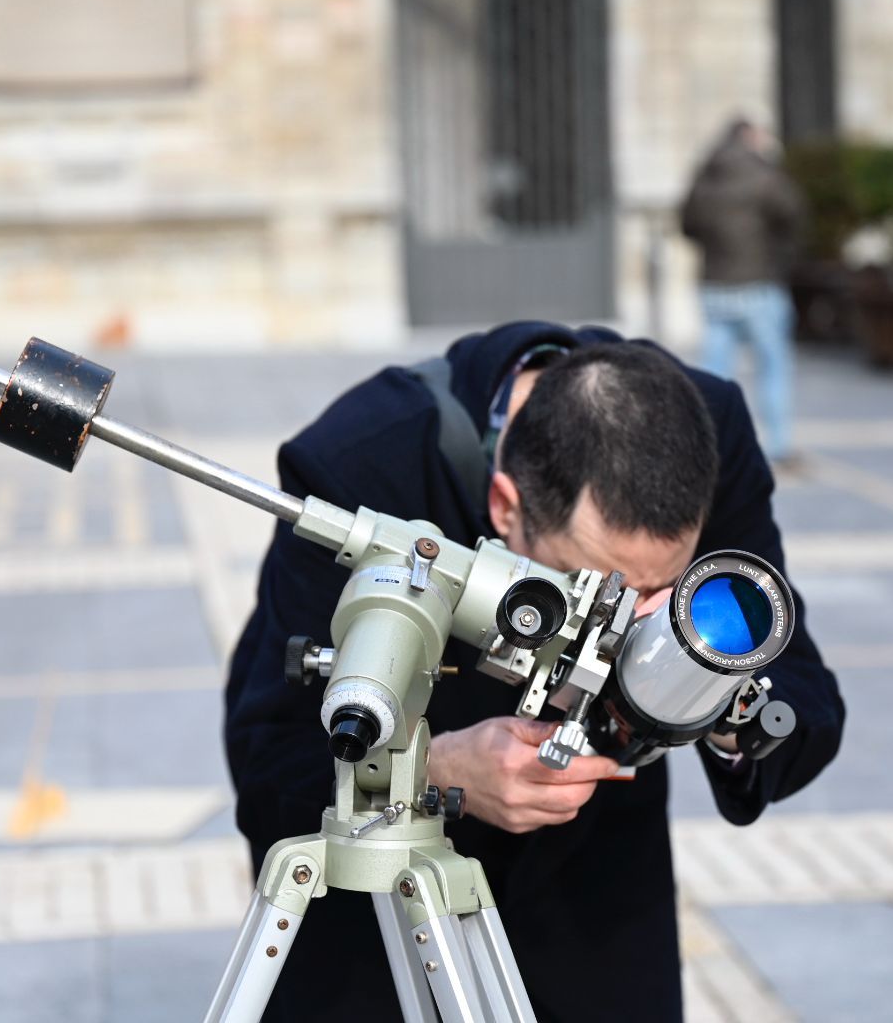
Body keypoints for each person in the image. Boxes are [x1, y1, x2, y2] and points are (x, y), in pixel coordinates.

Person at [224, 322, 845, 1021]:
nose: (621, 628)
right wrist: (432, 771)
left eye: (655, 592)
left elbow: (803, 699)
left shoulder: (702, 429)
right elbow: (269, 754)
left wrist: (712, 698)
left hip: (589, 888)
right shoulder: (360, 461)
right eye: (593, 591)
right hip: (377, 912)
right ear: (504, 507)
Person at [679, 117, 806, 466]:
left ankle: (707, 446)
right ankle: (779, 445)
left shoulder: (705, 176)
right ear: (752, 138)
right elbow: (793, 215)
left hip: (715, 284)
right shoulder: (766, 176)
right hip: (760, 283)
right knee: (773, 366)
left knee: (714, 373)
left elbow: (687, 224)